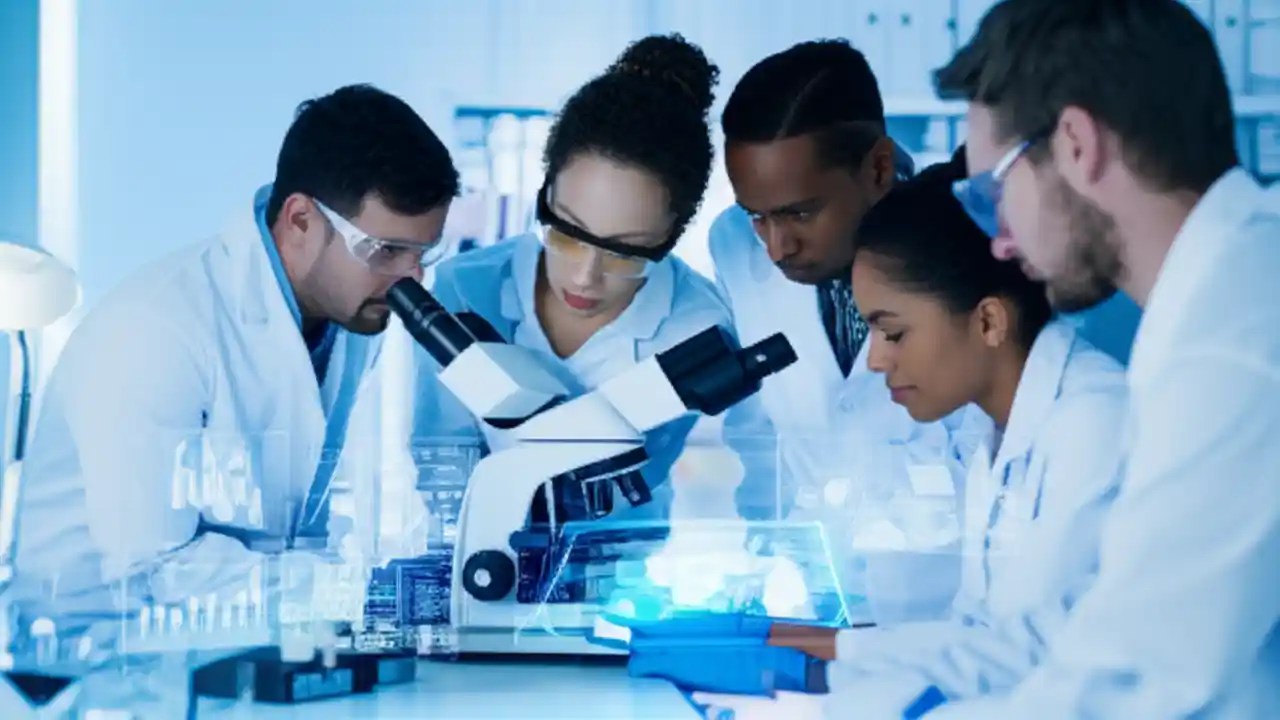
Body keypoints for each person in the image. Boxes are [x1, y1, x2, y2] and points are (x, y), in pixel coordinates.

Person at [8, 84, 457, 713]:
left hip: (233, 652)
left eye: (422, 254)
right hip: (97, 672)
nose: (411, 279)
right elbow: (151, 567)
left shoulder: (347, 316)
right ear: (301, 220)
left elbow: (292, 525)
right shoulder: (158, 327)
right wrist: (360, 590)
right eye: (386, 251)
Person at [919, 0, 1280, 717]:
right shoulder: (1223, 291)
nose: (997, 241)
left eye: (991, 194)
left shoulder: (1231, 340)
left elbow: (1139, 683)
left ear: (1079, 144)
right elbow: (1101, 620)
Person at [691, 157, 1128, 720]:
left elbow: (1049, 664)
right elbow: (976, 635)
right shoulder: (1001, 436)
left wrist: (818, 702)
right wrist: (792, 641)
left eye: (892, 332)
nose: (875, 360)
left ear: (989, 322)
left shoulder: (1094, 424)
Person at [411, 34, 730, 522]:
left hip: (618, 566)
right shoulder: (462, 291)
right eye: (566, 231)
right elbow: (441, 469)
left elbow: (629, 491)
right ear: (545, 190)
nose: (585, 276)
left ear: (671, 235)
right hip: (469, 547)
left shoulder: (700, 328)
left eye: (625, 252)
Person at [709, 39, 963, 622]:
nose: (777, 246)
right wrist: (770, 564)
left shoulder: (964, 246)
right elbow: (757, 433)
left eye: (800, 213)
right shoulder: (731, 243)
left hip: (939, 621)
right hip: (806, 604)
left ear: (877, 168)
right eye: (757, 215)